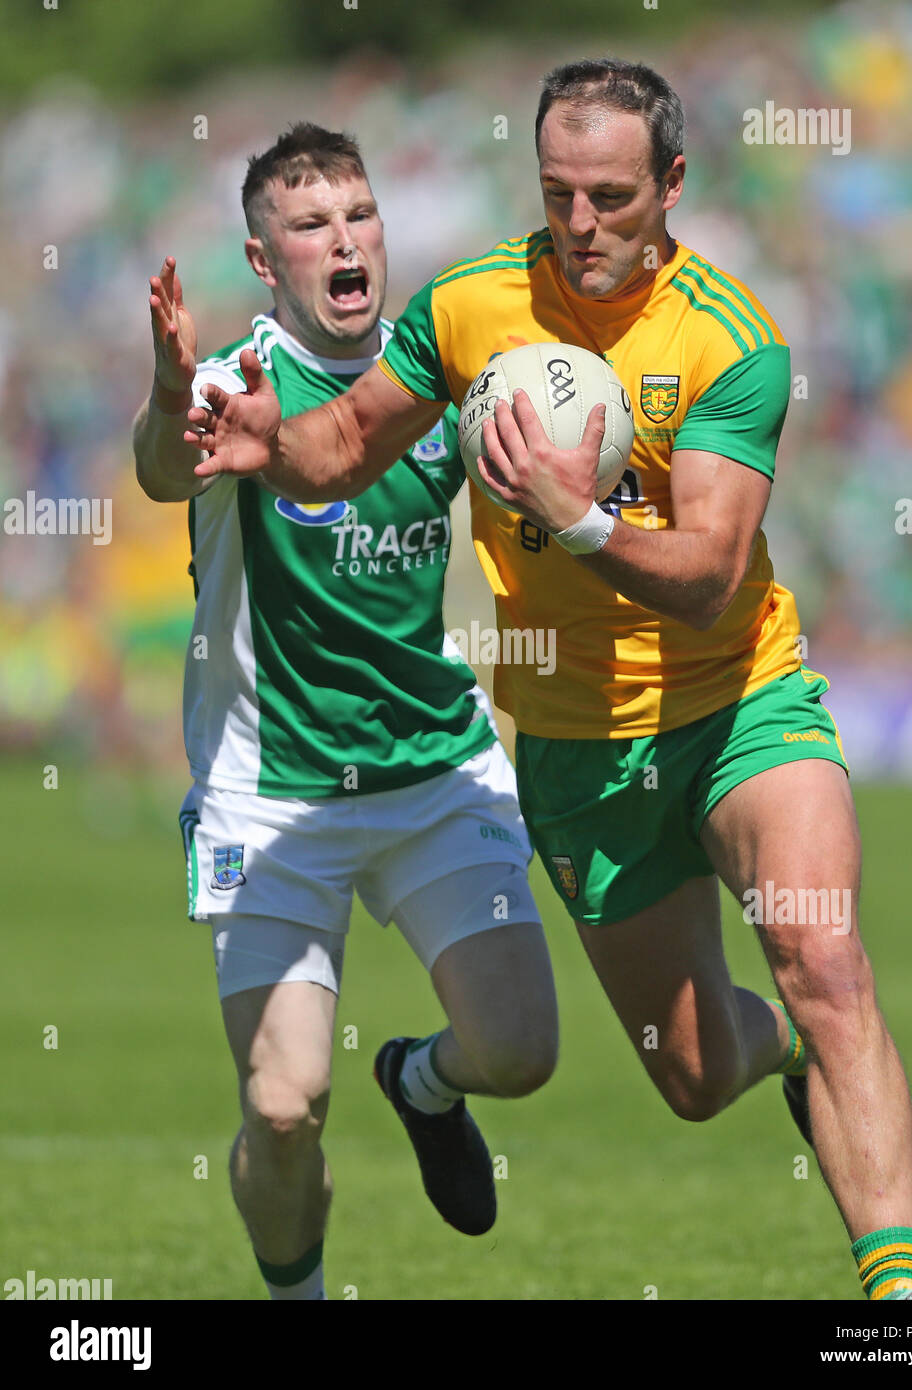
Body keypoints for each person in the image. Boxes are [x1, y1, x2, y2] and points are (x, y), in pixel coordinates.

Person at [186, 65, 912, 1301]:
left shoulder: (730, 339)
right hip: (581, 744)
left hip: (738, 694)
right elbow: (342, 451)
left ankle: (904, 1309)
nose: (582, 224)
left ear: (673, 187)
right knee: (692, 1076)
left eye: (614, 196)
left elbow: (708, 574)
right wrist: (275, 450)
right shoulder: (471, 305)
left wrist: (577, 520)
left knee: (824, 956)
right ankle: (779, 1058)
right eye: (558, 193)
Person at [133, 123, 558, 1301]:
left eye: (360, 215)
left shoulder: (434, 376)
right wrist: (175, 390)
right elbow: (166, 467)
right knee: (281, 1106)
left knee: (521, 1054)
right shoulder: (236, 385)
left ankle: (421, 1081)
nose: (345, 239)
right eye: (312, 224)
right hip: (272, 797)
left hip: (433, 773)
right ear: (268, 262)